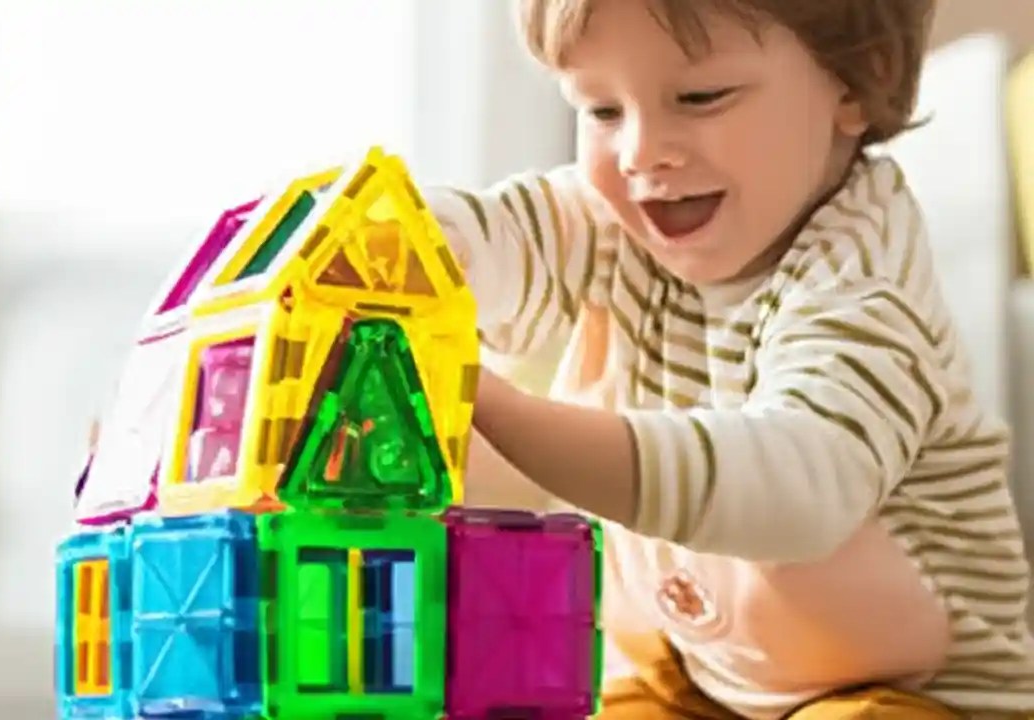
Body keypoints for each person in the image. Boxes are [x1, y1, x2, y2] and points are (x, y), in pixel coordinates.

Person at [421, 0, 1034, 717]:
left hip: (904, 692)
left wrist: (505, 413)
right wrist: (384, 238)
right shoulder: (611, 217)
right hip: (701, 676)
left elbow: (793, 491)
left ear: (856, 80)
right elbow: (489, 236)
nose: (640, 153)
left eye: (700, 97)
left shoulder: (862, 285)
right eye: (602, 110)